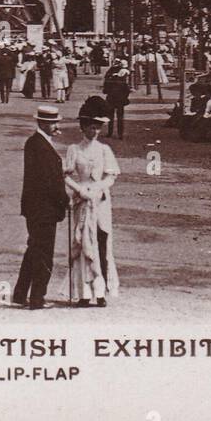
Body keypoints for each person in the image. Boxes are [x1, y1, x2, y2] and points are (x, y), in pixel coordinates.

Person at [64, 95, 120, 307]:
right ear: (83, 127)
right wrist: (80, 189)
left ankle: (101, 291)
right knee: (82, 241)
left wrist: (97, 188)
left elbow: (111, 176)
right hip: (82, 200)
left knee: (101, 241)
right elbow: (66, 175)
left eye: (98, 128)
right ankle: (84, 293)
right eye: (91, 127)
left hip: (101, 201)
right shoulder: (74, 150)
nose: (95, 132)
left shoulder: (104, 150)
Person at [13, 105, 68, 310]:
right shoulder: (39, 145)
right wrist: (64, 200)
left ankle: (20, 294)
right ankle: (37, 298)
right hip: (43, 209)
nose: (57, 126)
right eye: (54, 123)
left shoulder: (37, 142)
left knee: (34, 250)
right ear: (43, 123)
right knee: (44, 254)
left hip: (36, 207)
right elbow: (49, 182)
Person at [103, 59, 130, 139]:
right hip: (120, 99)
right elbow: (127, 90)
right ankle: (120, 134)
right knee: (120, 117)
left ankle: (110, 132)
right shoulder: (123, 79)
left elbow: (106, 86)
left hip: (111, 98)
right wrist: (125, 98)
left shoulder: (111, 74)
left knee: (110, 116)